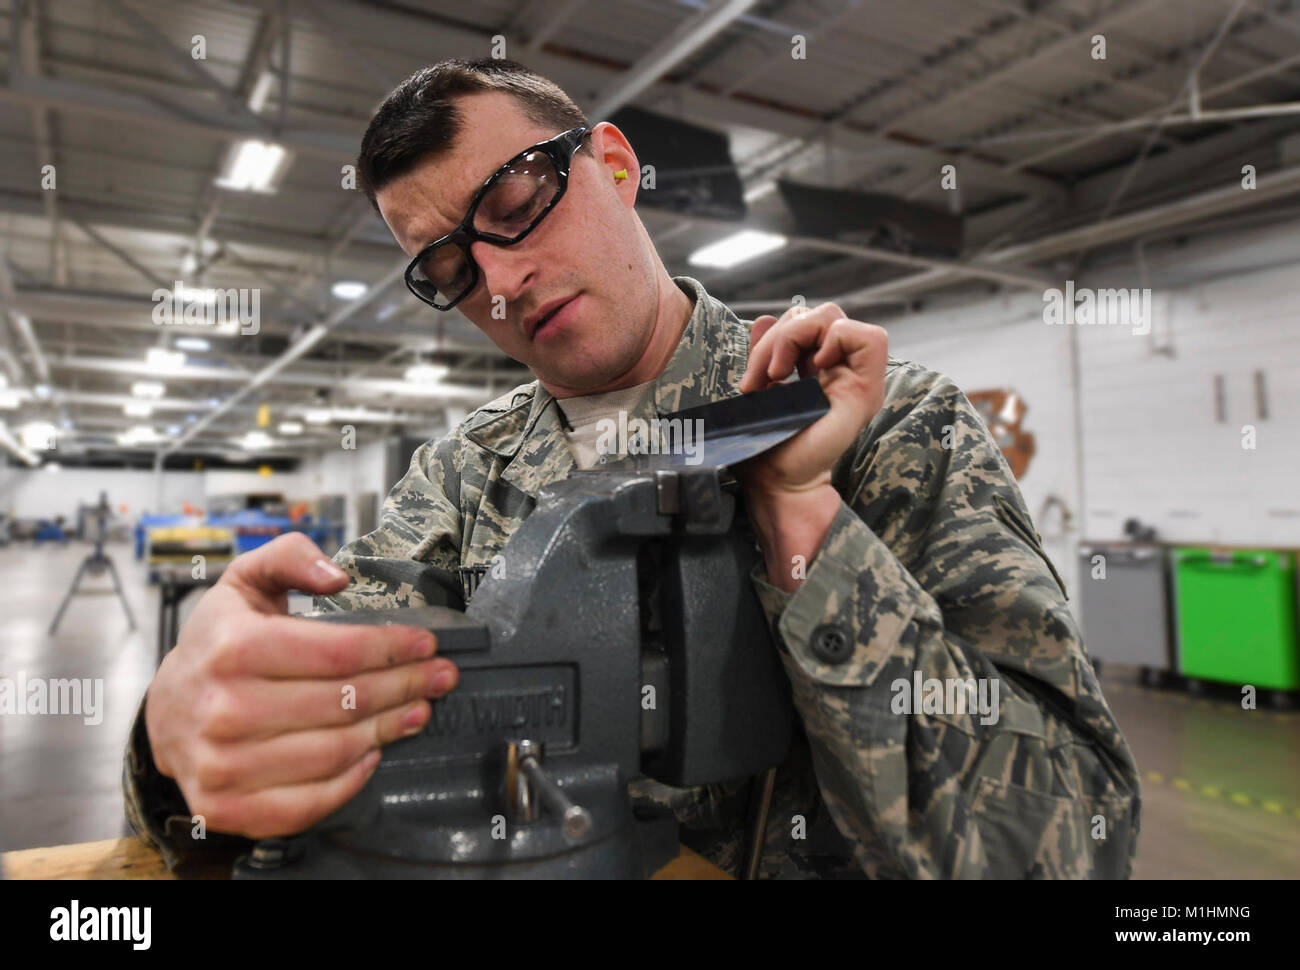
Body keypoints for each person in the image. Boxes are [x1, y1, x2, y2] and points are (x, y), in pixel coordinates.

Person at [126, 58, 1140, 879]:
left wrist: (801, 520)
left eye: (516, 200)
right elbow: (327, 720)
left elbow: (1070, 832)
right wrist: (179, 746)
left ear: (613, 165)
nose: (501, 281)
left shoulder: (883, 426)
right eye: (447, 268)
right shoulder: (459, 477)